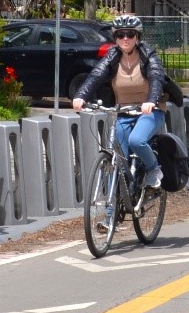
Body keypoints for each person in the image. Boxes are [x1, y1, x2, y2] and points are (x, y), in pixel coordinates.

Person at [72, 14, 168, 189]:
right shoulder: (112, 56)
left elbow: (156, 78)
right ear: (115, 38)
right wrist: (81, 96)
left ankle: (153, 169)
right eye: (120, 35)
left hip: (149, 111)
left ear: (137, 37)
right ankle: (113, 203)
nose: (125, 38)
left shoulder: (147, 55)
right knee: (118, 158)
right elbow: (96, 75)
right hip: (123, 111)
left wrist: (151, 101)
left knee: (136, 141)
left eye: (130, 34)